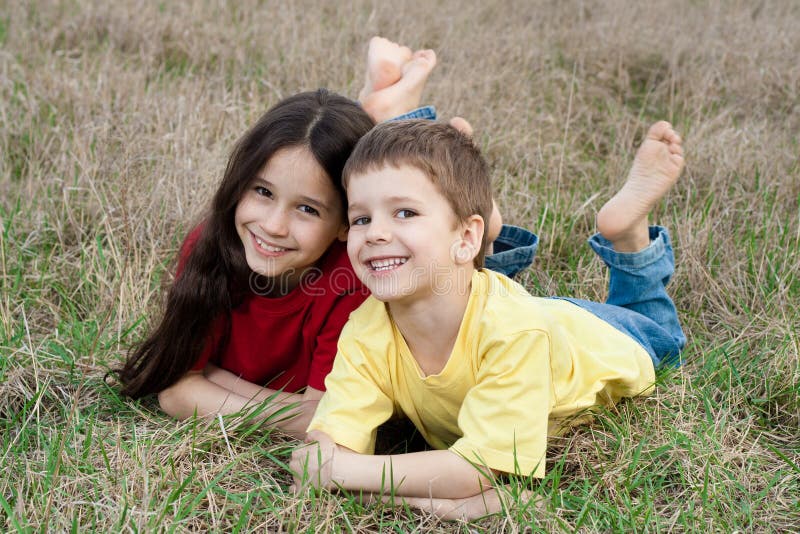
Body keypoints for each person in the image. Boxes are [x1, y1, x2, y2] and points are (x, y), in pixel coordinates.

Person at [117, 38, 532, 439]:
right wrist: (289, 409)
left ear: (344, 225)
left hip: (441, 279)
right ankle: (389, 114)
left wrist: (214, 382)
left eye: (307, 209)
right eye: (262, 192)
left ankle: (405, 123)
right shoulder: (211, 245)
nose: (274, 225)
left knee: (479, 247)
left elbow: (323, 419)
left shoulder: (353, 275)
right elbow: (175, 392)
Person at [290, 119, 687, 519]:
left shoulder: (514, 331)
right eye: (361, 218)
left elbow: (474, 470)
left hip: (605, 336)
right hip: (487, 301)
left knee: (661, 335)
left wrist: (347, 472)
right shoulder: (364, 330)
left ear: (465, 238)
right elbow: (320, 457)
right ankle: (480, 225)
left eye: (405, 212)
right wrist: (433, 499)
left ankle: (630, 238)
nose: (375, 232)